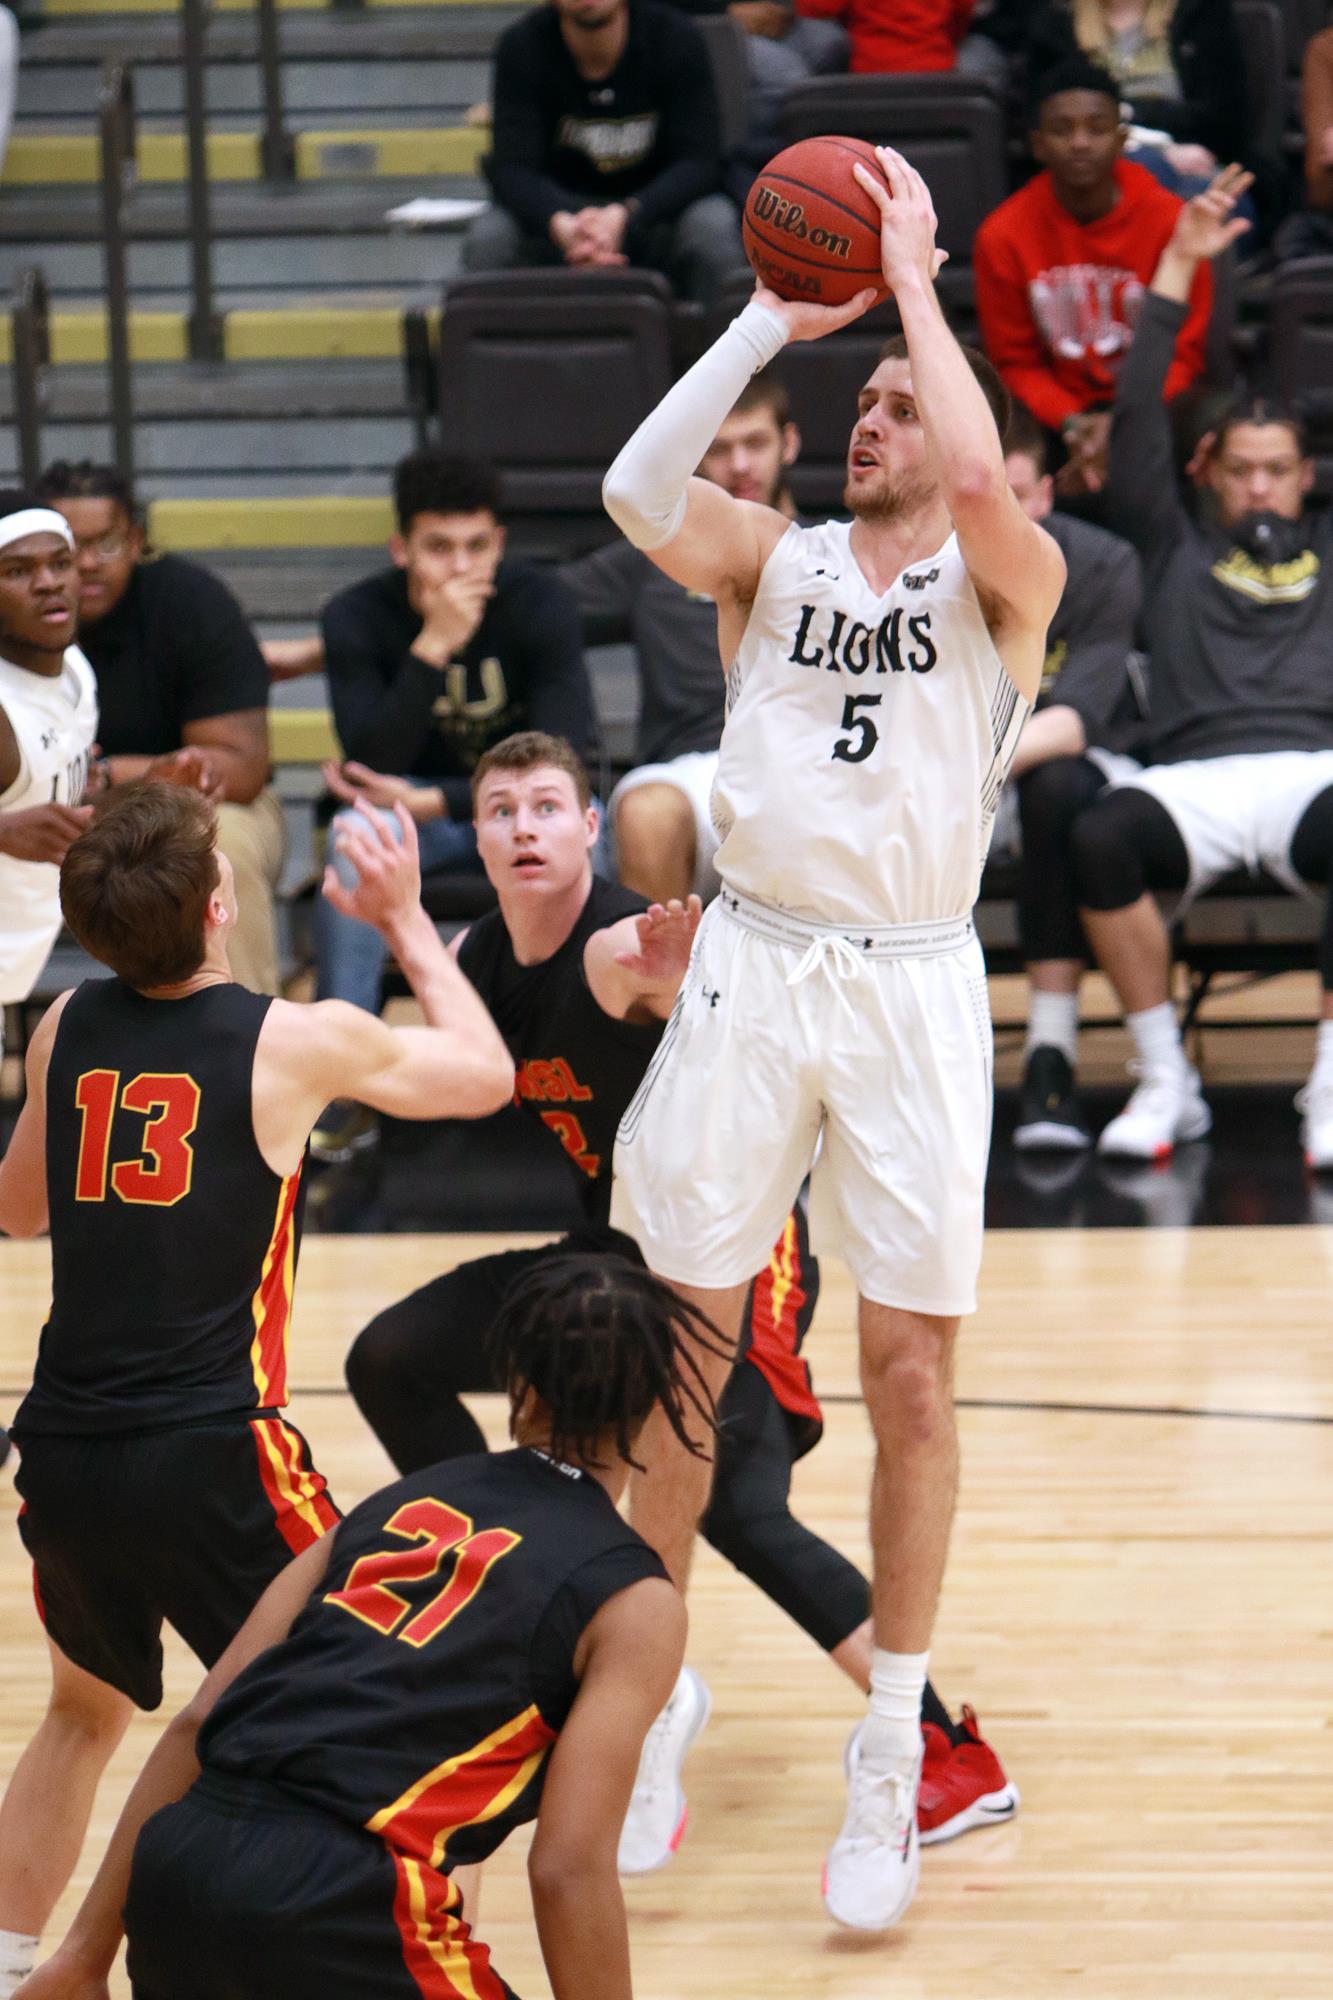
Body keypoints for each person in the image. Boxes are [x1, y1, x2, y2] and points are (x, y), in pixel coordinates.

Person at [600, 144, 1064, 1928]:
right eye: (853, 406)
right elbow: (637, 488)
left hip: (908, 983)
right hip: (753, 961)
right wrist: (766, 319)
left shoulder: (1007, 584)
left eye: (894, 403)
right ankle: (649, 1697)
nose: (867, 420)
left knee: (908, 1377)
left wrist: (919, 289)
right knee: (683, 1356)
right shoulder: (771, 562)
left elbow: (976, 474)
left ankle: (889, 1746)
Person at [343, 728, 1016, 1871]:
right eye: (500, 810)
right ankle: (525, 1607)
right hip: (607, 1262)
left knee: (735, 1503)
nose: (522, 828)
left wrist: (669, 971)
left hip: (736, 1251)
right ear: (479, 839)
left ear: (588, 827)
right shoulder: (473, 955)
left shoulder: (621, 939)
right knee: (390, 1357)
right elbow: (444, 1086)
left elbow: (641, 976)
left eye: (545, 806)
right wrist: (389, 951)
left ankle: (945, 1749)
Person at [0, 783, 514, 2000]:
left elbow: (17, 1210)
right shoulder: (293, 1037)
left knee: (82, 1713)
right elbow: (485, 1075)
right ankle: (391, 1963)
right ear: (220, 906)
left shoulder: (65, 1022)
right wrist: (404, 921)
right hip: (215, 1454)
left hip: (65, 1451)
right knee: (384, 1706)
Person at [12, 1257, 719, 2000]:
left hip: (181, 1869)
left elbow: (200, 1719)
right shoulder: (635, 1600)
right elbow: (567, 1867)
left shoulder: (396, 1504)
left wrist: (83, 1955)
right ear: (659, 1402)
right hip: (345, 1903)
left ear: (521, 1384)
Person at [1064, 166, 1333, 1168]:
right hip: (1192, 777)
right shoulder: (1171, 542)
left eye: (1277, 470)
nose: (1258, 487)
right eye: (1239, 469)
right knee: (1097, 833)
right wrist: (1178, 262)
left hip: (1313, 769)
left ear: (1305, 477)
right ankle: (1163, 1079)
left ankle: (1330, 1083)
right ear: (1204, 471)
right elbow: (1136, 409)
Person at [312, 451, 590, 1159]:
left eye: (476, 546)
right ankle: (342, 1086)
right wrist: (433, 645)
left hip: (499, 814)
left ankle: (590, 1063)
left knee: (595, 830)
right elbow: (370, 763)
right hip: (414, 828)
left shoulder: (540, 604)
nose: (460, 568)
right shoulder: (354, 616)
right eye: (438, 548)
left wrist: (435, 799)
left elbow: (567, 756)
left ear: (499, 543)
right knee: (356, 834)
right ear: (401, 548)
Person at [36, 462, 285, 999]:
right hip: (43, 815)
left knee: (223, 844)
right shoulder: (15, 612)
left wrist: (129, 777)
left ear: (135, 541)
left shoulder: (190, 602)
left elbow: (242, 768)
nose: (87, 563)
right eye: (67, 548)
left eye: (104, 543)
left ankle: (248, 1033)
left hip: (183, 810)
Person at [563, 372, 800, 903]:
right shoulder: (653, 560)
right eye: (719, 449)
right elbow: (535, 605)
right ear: (694, 458)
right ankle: (659, 963)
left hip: (806, 767)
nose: (740, 464)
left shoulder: (835, 552)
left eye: (756, 443)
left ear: (789, 443)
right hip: (691, 774)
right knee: (646, 812)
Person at [998, 406, 1147, 1150]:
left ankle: (1049, 1054)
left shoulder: (1100, 562)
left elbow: (1076, 719)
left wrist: (948, 768)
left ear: (1046, 494)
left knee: (1057, 787)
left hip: (1069, 764)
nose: (999, 518)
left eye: (1016, 497)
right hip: (948, 774)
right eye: (979, 498)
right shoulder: (920, 563)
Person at [973, 58, 1213, 500]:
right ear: (1038, 144)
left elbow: (1184, 356)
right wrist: (1072, 421)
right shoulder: (1002, 234)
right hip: (1056, 413)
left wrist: (1124, 421)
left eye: (1097, 128)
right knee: (989, 424)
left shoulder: (1172, 221)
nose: (1080, 142)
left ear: (1121, 139)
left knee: (1213, 419)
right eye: (1062, 130)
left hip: (1156, 401)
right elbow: (1016, 362)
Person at [466, 0, 746, 306]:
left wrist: (626, 215)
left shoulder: (675, 37)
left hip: (657, 211)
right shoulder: (521, 45)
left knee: (712, 229)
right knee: (490, 240)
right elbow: (514, 170)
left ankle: (729, 338)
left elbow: (700, 162)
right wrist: (561, 223)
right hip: (558, 218)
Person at [0, 498, 98, 1044]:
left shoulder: (74, 670)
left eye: (59, 563)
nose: (47, 583)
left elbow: (65, 783)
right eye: (17, 571)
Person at [1027, 0, 1246, 195]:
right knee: (1146, 169)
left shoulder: (1199, 9)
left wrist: (1128, 113)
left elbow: (1223, 116)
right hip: (1095, 159)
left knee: (1216, 199)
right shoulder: (1057, 17)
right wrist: (1160, 148)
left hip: (1192, 154)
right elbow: (1045, 118)